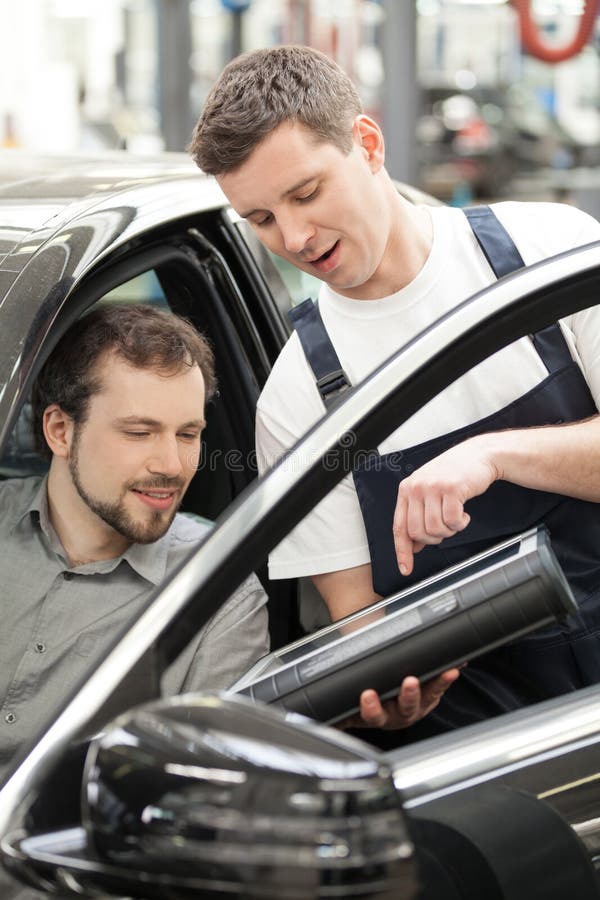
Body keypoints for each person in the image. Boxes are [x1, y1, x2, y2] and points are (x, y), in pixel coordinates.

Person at [189, 44, 600, 735]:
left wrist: (493, 456)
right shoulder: (297, 401)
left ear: (368, 144)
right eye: (259, 219)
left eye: (306, 192)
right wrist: (389, 692)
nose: (293, 235)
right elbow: (361, 624)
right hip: (485, 748)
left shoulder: (553, 251)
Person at [0, 303, 269, 790]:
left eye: (188, 434)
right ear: (60, 431)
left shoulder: (219, 588)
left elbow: (203, 794)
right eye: (139, 432)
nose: (172, 463)